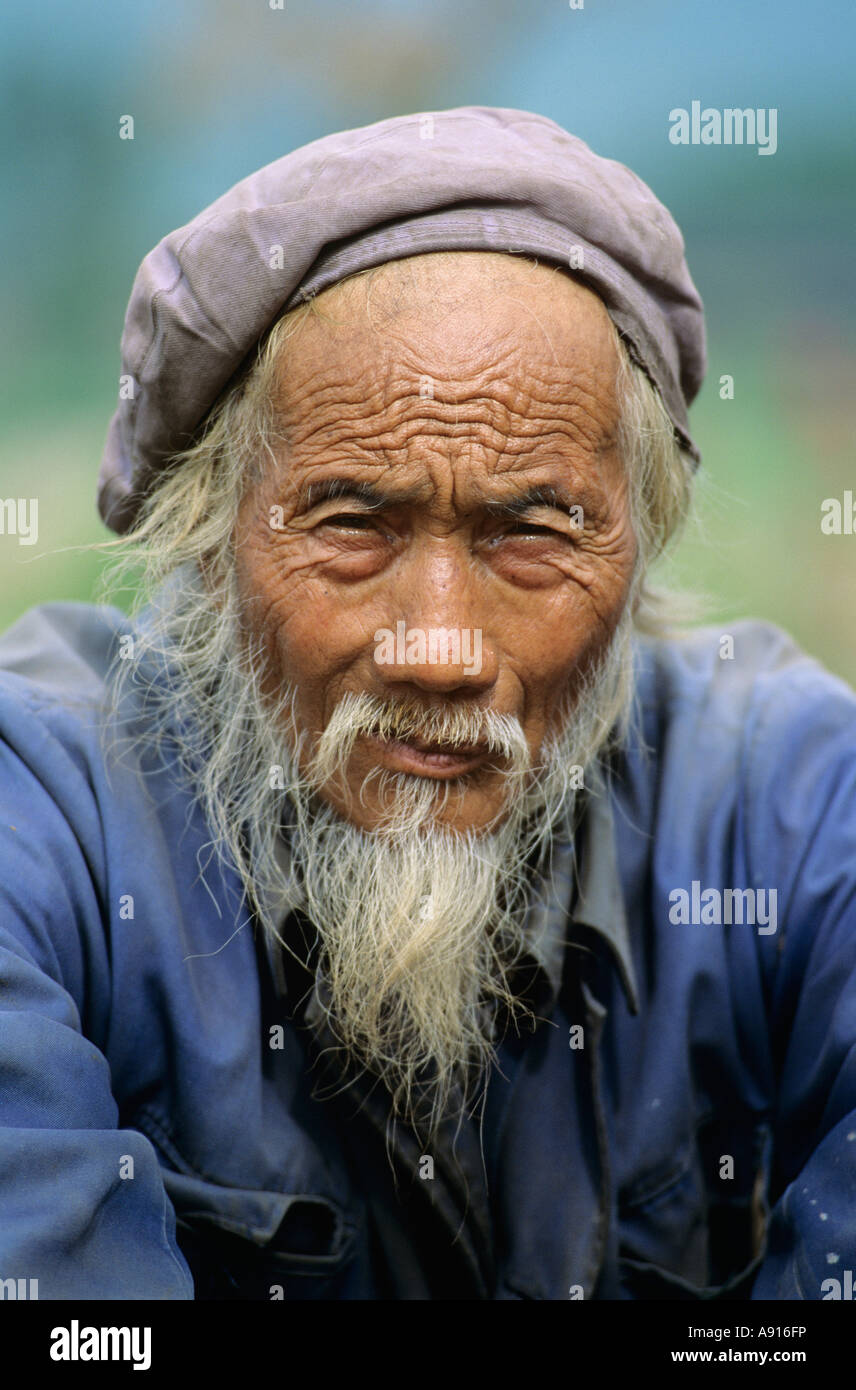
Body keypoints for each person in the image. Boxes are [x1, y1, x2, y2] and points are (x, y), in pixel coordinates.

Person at [1, 105, 854, 1302]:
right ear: (208, 543)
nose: (440, 649)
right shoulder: (47, 813)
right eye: (354, 524)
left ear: (637, 554)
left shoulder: (792, 806)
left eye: (530, 533)